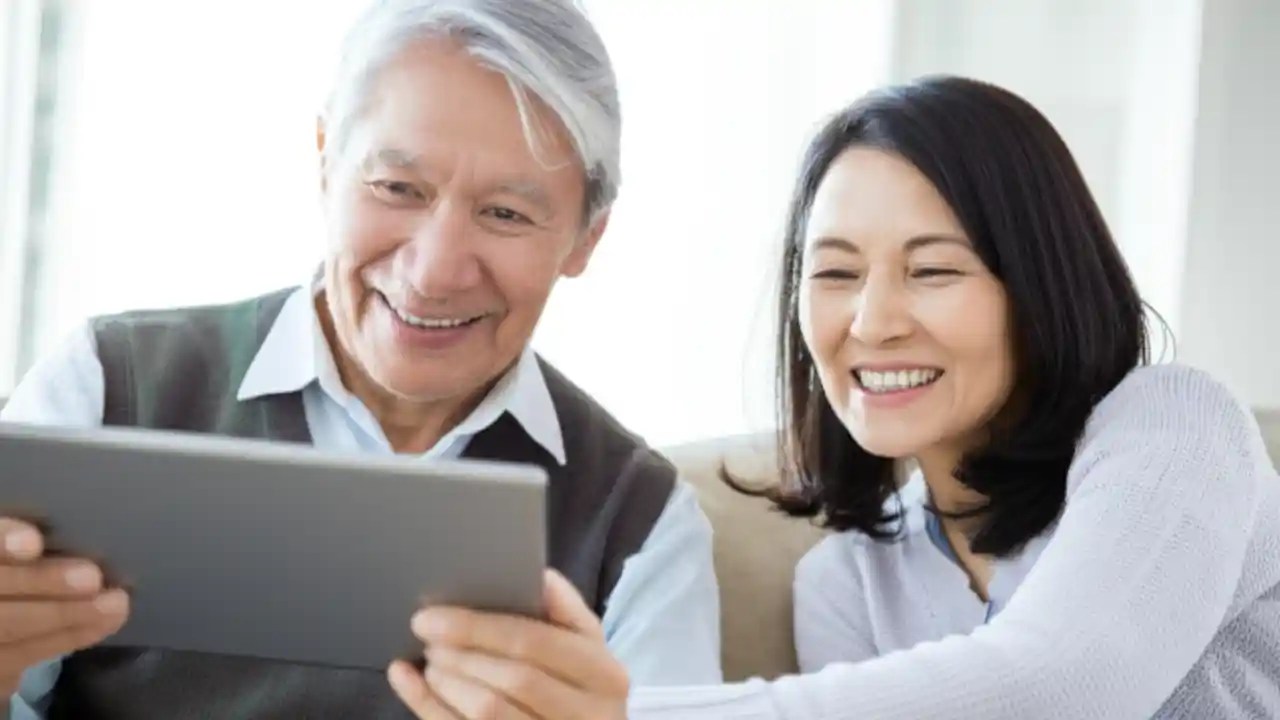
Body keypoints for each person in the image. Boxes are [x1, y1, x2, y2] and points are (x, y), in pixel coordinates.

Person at [393, 76, 1280, 719]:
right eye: (836, 274)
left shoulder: (1175, 426)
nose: (873, 322)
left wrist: (625, 714)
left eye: (933, 270)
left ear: (1039, 287)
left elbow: (1059, 686)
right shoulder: (848, 580)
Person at [0, 0, 722, 717]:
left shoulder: (642, 525)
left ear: (587, 238)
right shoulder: (105, 387)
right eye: (397, 189)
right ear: (326, 162)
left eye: (505, 214)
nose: (434, 273)